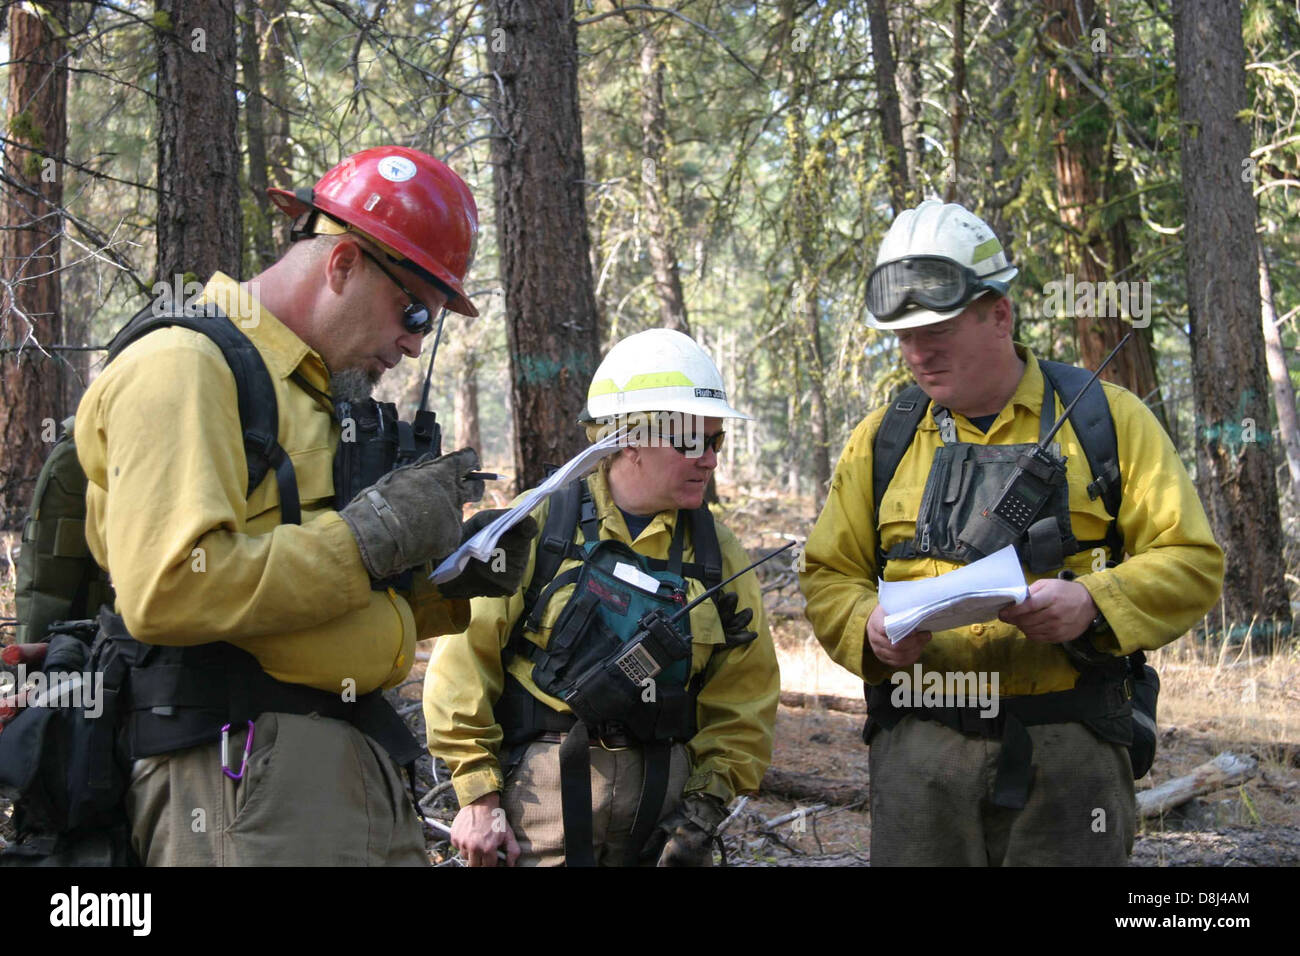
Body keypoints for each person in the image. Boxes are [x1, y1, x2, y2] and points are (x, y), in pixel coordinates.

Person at [73, 145, 535, 866]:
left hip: (345, 768)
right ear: (342, 262)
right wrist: (370, 538)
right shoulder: (185, 366)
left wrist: (441, 590)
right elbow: (170, 587)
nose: (415, 343)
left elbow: (304, 592)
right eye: (413, 309)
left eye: (432, 322)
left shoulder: (308, 393)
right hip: (242, 773)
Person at [799, 199, 1224, 866]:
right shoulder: (881, 440)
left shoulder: (1105, 419)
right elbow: (829, 574)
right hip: (919, 756)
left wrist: (1093, 603)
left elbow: (1191, 560)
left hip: (1072, 750)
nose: (916, 352)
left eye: (935, 328)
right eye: (903, 336)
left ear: (998, 314)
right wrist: (869, 629)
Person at [424, 329, 780, 866]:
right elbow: (463, 662)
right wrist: (479, 797)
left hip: (664, 826)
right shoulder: (542, 524)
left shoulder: (716, 555)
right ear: (630, 439)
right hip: (537, 817)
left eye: (716, 441)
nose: (709, 459)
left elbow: (744, 697)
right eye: (691, 441)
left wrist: (703, 812)